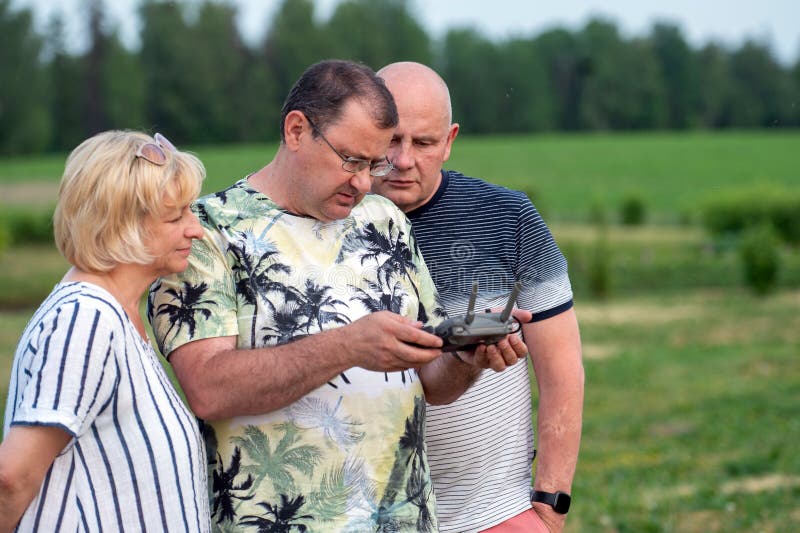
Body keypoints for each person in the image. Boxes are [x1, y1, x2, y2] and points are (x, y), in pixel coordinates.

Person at [147, 59, 529, 532]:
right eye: (350, 160)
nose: (364, 182)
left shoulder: (385, 220)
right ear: (296, 130)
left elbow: (433, 383)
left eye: (373, 164)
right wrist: (348, 346)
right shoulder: (206, 234)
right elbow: (208, 390)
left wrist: (467, 357)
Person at [372, 61, 585, 533]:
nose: (404, 160)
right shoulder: (329, 223)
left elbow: (562, 370)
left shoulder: (509, 216)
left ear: (449, 141)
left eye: (424, 143)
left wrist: (550, 505)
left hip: (495, 513)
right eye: (391, 139)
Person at [0, 130, 210, 532]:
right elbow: (12, 479)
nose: (195, 229)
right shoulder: (86, 319)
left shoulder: (118, 315)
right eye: (175, 217)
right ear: (120, 226)